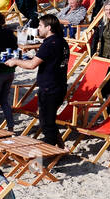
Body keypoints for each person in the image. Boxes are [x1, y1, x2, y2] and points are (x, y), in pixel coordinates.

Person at [7, 15, 69, 147]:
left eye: (40, 26)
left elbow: (31, 65)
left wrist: (15, 61)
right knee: (48, 119)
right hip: (59, 85)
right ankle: (60, 147)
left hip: (50, 87)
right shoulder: (61, 41)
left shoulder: (49, 45)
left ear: (48, 27)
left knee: (46, 122)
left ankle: (51, 151)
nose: (38, 29)